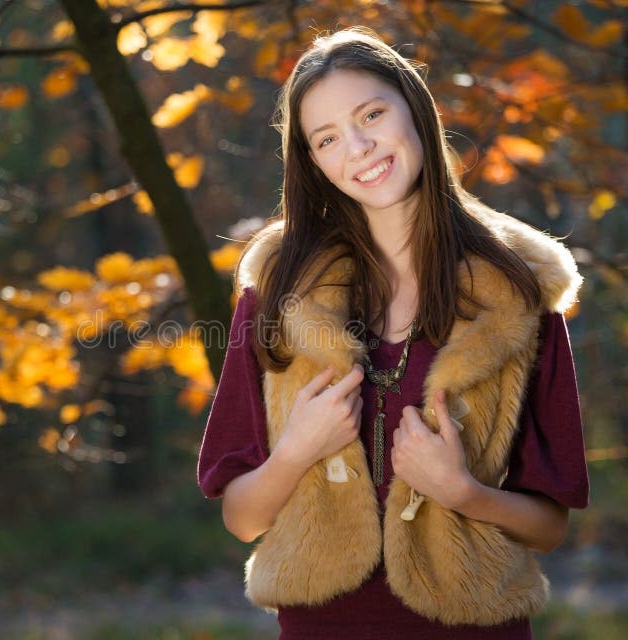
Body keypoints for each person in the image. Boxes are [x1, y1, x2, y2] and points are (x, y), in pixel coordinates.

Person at [197, 28, 589, 640]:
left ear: (416, 109)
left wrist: (462, 491)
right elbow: (242, 518)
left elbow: (549, 526)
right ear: (313, 162)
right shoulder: (279, 291)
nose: (358, 148)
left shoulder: (518, 290)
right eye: (327, 138)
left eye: (371, 115)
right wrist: (297, 449)